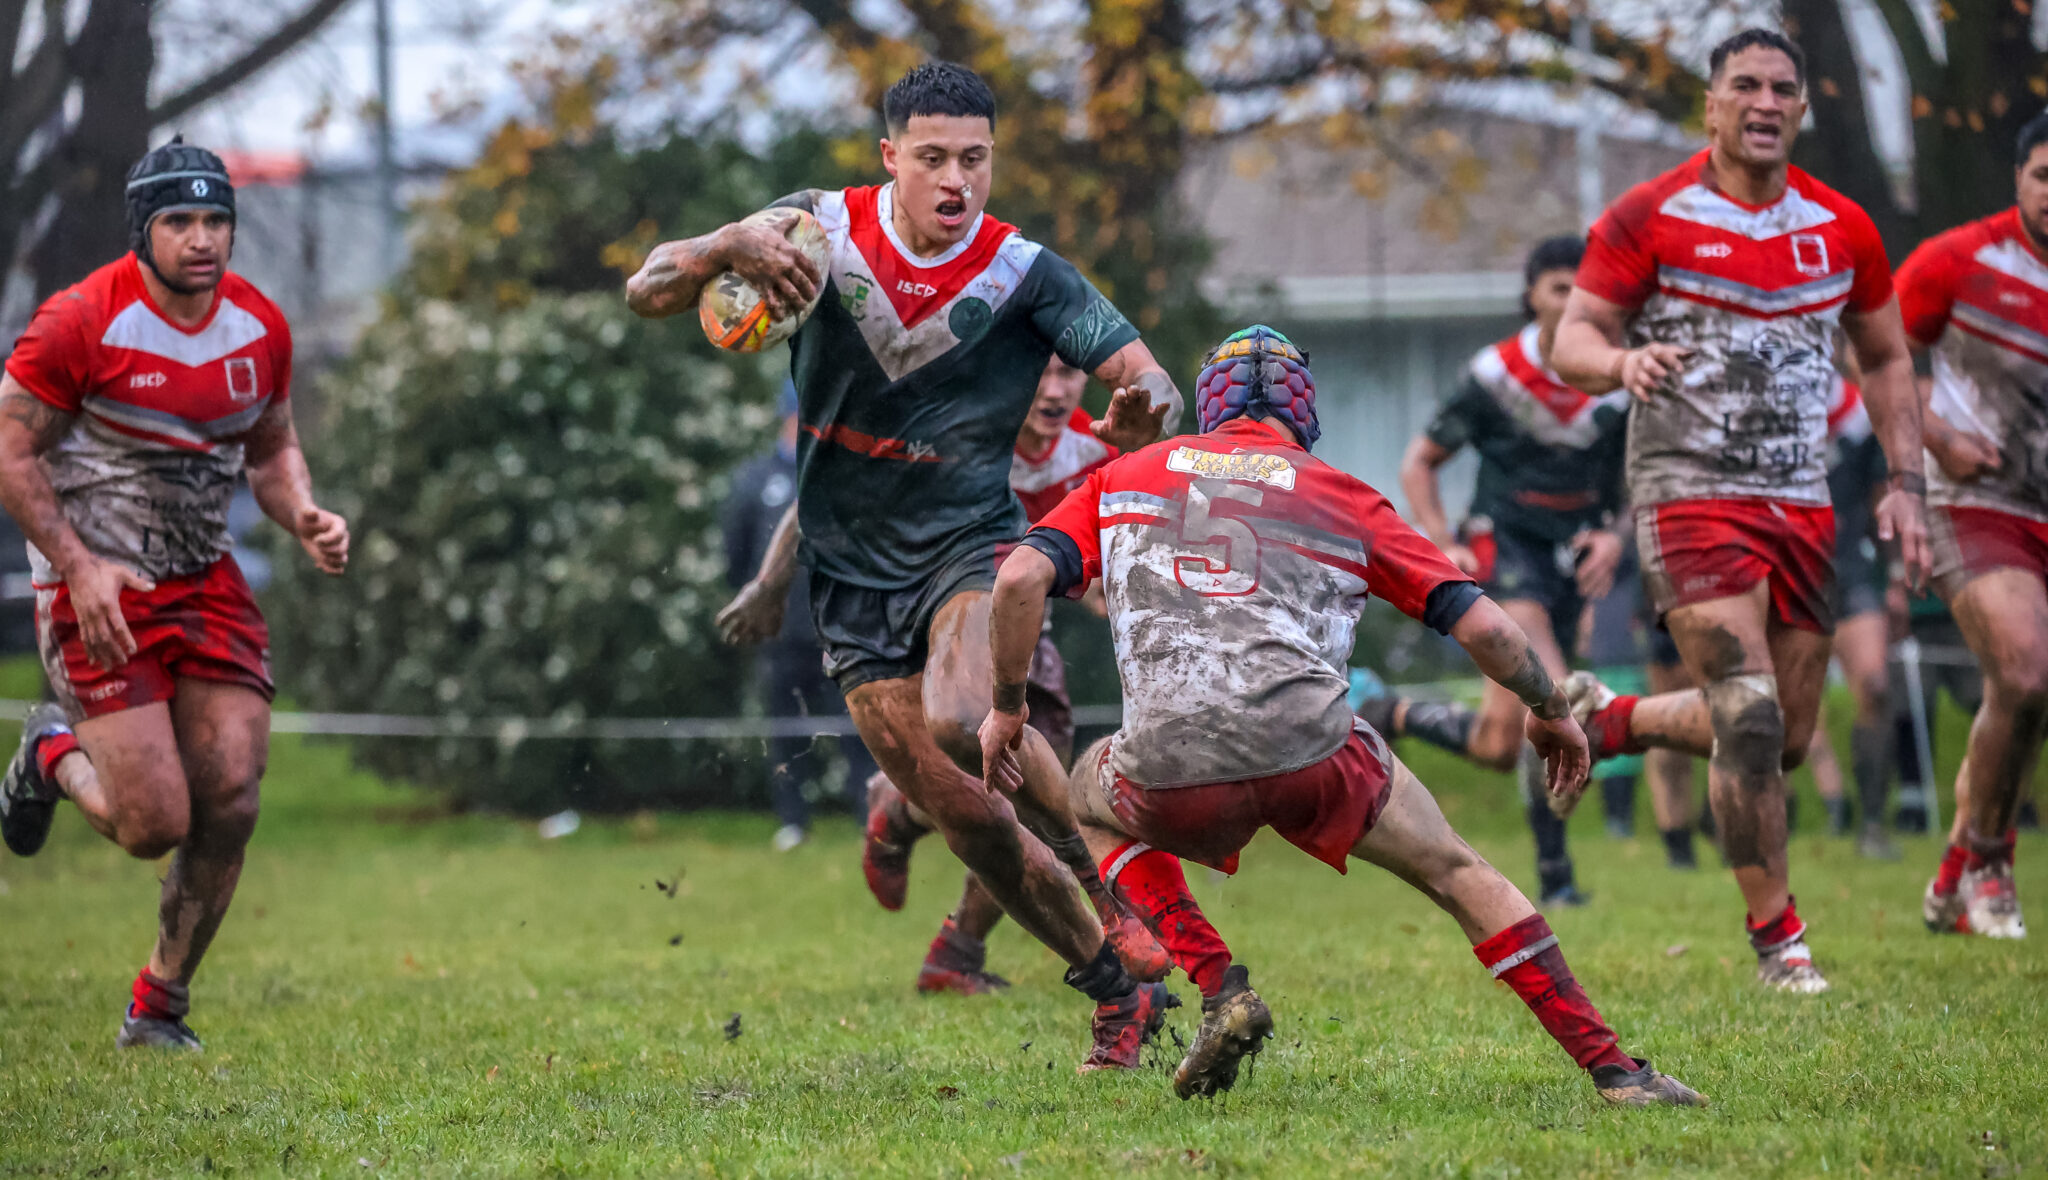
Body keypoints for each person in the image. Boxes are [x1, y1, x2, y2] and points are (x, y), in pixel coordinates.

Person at [979, 325, 1703, 1107]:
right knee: (1460, 872)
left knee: (1086, 798)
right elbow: (1487, 627)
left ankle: (1220, 984)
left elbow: (1018, 579)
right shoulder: (1344, 495)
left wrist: (1006, 710)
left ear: (1209, 406)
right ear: (1303, 411)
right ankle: (1616, 1072)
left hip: (1165, 764)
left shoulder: (1125, 476)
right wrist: (1550, 708)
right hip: (1315, 753)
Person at [626, 62, 1181, 1068]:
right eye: (930, 158)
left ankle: (1100, 888)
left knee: (968, 721)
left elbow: (1142, 369)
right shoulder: (811, 233)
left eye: (973, 158)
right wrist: (722, 242)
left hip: (966, 542)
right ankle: (1111, 991)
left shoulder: (1025, 272)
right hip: (846, 568)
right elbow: (647, 287)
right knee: (967, 817)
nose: (954, 179)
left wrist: (1148, 402)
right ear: (890, 157)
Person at [1549, 28, 1930, 994]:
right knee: (1749, 717)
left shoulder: (1843, 226)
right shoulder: (1652, 213)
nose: (1766, 103)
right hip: (1687, 491)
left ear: (1802, 109)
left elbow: (1886, 358)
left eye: (1784, 90)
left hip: (1802, 505)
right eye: (1745, 86)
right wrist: (1623, 362)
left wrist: (1908, 483)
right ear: (1712, 106)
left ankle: (1615, 719)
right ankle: (1778, 941)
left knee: (1786, 739)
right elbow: (1574, 336)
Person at [0, 139, 351, 1050]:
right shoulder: (79, 323)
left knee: (231, 795)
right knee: (153, 824)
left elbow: (271, 448)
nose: (203, 239)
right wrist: (77, 564)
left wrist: (304, 512)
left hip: (205, 580)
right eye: (180, 222)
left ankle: (160, 1006)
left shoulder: (259, 327)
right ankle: (50, 756)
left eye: (217, 221)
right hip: (100, 588)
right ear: (142, 231)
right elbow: (10, 453)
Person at [860, 355, 1119, 995]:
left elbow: (1087, 562)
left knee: (1026, 784)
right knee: (1018, 784)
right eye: (1043, 370)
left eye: (1070, 374)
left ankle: (906, 821)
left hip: (1024, 631)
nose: (1056, 389)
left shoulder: (1094, 450)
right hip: (935, 616)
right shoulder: (961, 437)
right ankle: (955, 948)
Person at [1382, 235, 1629, 906]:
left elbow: (1636, 478)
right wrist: (1442, 544)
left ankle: (1385, 709)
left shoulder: (1616, 377)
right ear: (1532, 296)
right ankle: (1556, 876)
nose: (1575, 300)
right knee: (1551, 690)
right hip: (1504, 549)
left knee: (1500, 741)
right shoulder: (1496, 376)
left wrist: (1616, 534)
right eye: (1559, 288)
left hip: (1571, 560)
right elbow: (1419, 461)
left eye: (1585, 289)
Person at [1893, 108, 2048, 939]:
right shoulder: (1960, 258)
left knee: (2025, 699)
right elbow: (1874, 347)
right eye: (2044, 177)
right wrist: (1940, 436)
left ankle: (1958, 867)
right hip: (1978, 504)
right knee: (2025, 675)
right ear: (2019, 178)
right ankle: (1990, 865)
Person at [722, 381, 877, 851]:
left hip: (841, 628)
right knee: (786, 730)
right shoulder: (754, 480)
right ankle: (793, 820)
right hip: (781, 634)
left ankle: (870, 817)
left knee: (858, 729)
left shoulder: (843, 472)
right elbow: (736, 555)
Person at [1807, 374, 1901, 859]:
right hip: (1786, 574)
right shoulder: (1756, 402)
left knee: (1875, 686)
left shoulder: (1857, 413)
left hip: (1851, 568)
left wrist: (1898, 576)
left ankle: (1872, 825)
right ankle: (1827, 805)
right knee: (1788, 712)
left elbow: (1882, 497)